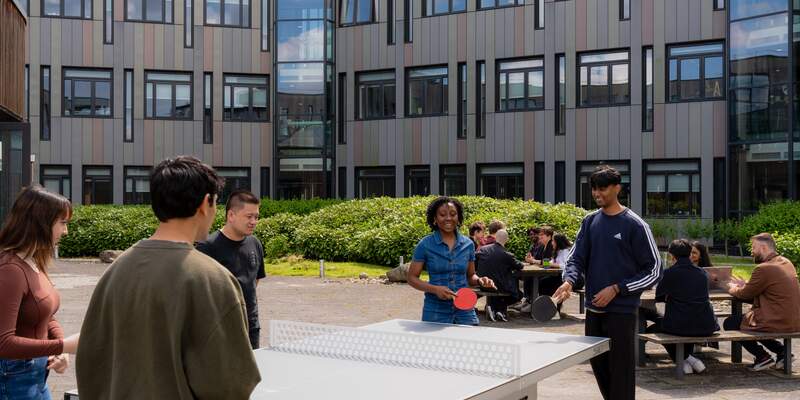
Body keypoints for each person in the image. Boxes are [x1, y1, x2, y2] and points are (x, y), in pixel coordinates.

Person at [76, 157, 261, 398]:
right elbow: (230, 384)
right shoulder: (212, 279)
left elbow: (90, 360)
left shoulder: (116, 271)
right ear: (205, 204)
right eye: (216, 203)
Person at [553, 165, 662, 400]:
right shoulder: (590, 221)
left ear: (617, 188)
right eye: (593, 188)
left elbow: (654, 270)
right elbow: (576, 258)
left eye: (602, 188)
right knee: (600, 367)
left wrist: (617, 289)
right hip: (593, 311)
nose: (596, 193)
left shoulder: (635, 225)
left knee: (621, 371)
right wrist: (569, 281)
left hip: (621, 312)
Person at [0, 186, 80, 400]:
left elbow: (46, 314)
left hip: (34, 379)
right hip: (13, 382)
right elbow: (3, 342)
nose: (66, 231)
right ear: (40, 223)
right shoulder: (10, 270)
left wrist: (60, 348)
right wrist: (64, 345)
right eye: (62, 223)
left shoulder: (33, 261)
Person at [407, 196, 495, 325]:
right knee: (435, 345)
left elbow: (470, 276)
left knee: (468, 343)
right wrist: (435, 289)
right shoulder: (425, 245)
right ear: (435, 219)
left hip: (464, 307)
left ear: (458, 217)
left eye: (453, 214)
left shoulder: (468, 244)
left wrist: (480, 280)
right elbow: (412, 278)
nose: (448, 218)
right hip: (435, 309)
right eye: (442, 215)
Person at [197, 190, 266, 349]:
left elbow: (254, 281)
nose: (254, 221)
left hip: (251, 327)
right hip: (220, 332)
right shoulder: (208, 247)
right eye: (249, 216)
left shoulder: (255, 243)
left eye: (256, 217)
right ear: (231, 215)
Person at [723, 233, 800, 371]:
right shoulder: (786, 262)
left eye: (753, 247)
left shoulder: (764, 268)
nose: (751, 251)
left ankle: (762, 357)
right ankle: (782, 352)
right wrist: (747, 284)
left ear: (764, 248)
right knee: (747, 323)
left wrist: (732, 288)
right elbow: (768, 289)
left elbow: (744, 294)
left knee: (730, 323)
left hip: (774, 320)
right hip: (792, 320)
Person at [646, 239, 719, 375]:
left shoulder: (670, 273)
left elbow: (659, 297)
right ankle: (688, 361)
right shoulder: (702, 273)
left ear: (671, 255)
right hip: (705, 325)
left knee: (654, 329)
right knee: (677, 320)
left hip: (680, 325)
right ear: (689, 254)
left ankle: (685, 359)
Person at [475, 229, 524, 322]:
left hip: (483, 284)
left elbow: (474, 263)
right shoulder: (507, 255)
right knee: (518, 295)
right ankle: (498, 310)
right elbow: (520, 266)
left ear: (495, 237)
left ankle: (493, 309)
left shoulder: (483, 249)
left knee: (500, 293)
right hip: (499, 287)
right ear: (507, 240)